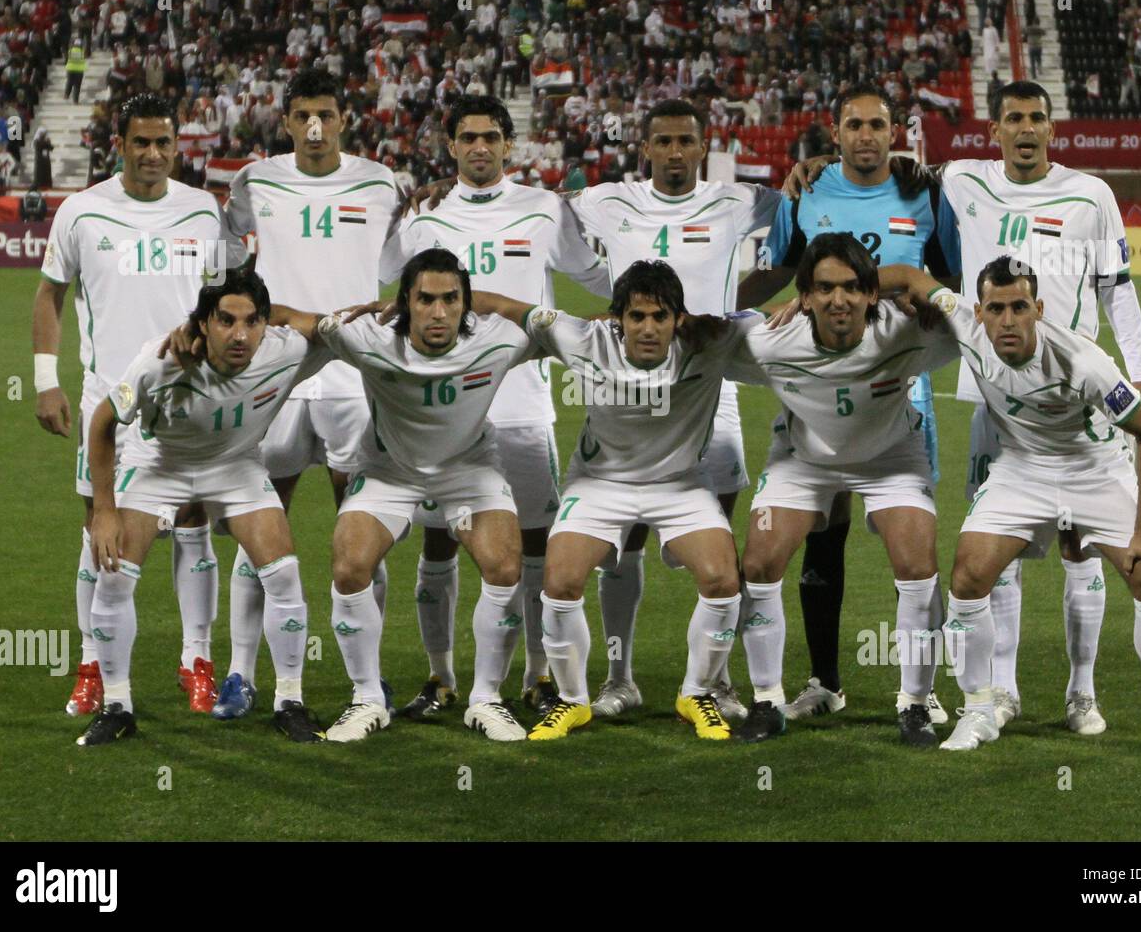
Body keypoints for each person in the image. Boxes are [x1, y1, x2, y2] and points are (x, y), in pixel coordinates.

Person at [786, 80, 1141, 737]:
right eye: (1012, 118)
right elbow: (894, 165)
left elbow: (1117, 290)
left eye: (1035, 118)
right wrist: (819, 165)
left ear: (1051, 129)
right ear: (995, 129)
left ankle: (1082, 695)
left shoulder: (1091, 195)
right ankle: (1001, 692)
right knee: (996, 553)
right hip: (994, 399)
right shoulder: (960, 181)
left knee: (1079, 548)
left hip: (1077, 398)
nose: (1024, 128)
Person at [412, 98, 786, 722]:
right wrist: (449, 190)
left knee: (722, 553)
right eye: (662, 142)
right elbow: (520, 203)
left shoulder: (741, 201)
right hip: (619, 382)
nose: (673, 153)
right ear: (646, 148)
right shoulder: (604, 200)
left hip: (704, 387)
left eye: (685, 142)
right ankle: (619, 676)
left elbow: (803, 218)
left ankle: (716, 683)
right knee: (624, 545)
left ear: (703, 147)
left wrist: (813, 175)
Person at [885, 257, 1141, 760]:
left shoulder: (1083, 360)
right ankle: (979, 709)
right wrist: (820, 294)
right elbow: (907, 276)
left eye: (1020, 308)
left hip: (1094, 468)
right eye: (996, 308)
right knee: (967, 577)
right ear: (978, 312)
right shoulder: (962, 319)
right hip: (1021, 469)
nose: (1008, 320)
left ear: (1039, 309)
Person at [384, 96, 610, 721]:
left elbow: (599, 279)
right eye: (467, 137)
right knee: (438, 545)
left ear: (510, 145)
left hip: (522, 405)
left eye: (491, 136)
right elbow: (392, 295)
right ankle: (439, 677)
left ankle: (538, 674)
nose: (480, 147)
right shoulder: (426, 219)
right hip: (446, 411)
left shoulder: (543, 209)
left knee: (535, 544)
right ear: (450, 146)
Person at [470, 262, 761, 741]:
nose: (648, 328)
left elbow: (775, 315)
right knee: (559, 582)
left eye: (660, 317)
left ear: (679, 320)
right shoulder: (583, 338)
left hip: (680, 484)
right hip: (599, 483)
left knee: (723, 579)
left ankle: (696, 693)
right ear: (616, 319)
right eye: (637, 316)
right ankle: (572, 701)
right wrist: (398, 308)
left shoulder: (710, 342)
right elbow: (499, 305)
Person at [272, 248, 541, 743]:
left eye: (450, 300)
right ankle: (367, 698)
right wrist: (204, 324)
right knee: (350, 565)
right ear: (404, 304)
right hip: (389, 470)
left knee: (504, 567)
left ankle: (486, 699)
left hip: (469, 469)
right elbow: (290, 318)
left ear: (467, 304)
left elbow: (581, 331)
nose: (438, 313)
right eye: (425, 300)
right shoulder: (364, 336)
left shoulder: (499, 339)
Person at [759, 83, 954, 727]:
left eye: (878, 125)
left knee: (915, 544)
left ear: (896, 131)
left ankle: (922, 690)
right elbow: (783, 272)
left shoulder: (924, 193)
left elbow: (949, 277)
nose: (866, 136)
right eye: (853, 125)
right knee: (822, 531)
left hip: (899, 384)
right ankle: (824, 681)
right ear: (834, 133)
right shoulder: (806, 191)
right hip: (819, 381)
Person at [213, 68, 402, 720]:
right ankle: (240, 674)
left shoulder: (381, 183)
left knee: (363, 533)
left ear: (344, 118)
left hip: (355, 381)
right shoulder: (255, 180)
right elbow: (224, 250)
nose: (315, 127)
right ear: (286, 121)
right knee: (259, 530)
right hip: (279, 380)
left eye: (326, 113)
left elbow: (407, 266)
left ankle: (368, 682)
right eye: (303, 116)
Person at [32, 93, 227, 720]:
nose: (152, 154)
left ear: (177, 146)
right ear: (120, 144)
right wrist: (44, 380)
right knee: (100, 535)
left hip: (189, 403)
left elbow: (223, 307)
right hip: (107, 406)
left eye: (163, 143)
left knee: (193, 527)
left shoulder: (202, 211)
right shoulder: (83, 212)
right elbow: (49, 295)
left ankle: (196, 661)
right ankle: (92, 663)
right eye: (140, 142)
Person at [79, 267, 331, 746]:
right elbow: (104, 421)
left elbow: (330, 328)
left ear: (265, 323)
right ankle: (117, 706)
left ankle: (290, 701)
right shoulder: (157, 361)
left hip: (235, 467)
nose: (240, 335)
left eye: (252, 322)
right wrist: (105, 511)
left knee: (284, 575)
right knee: (112, 578)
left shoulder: (285, 351)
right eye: (226, 321)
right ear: (203, 322)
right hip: (159, 465)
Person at [728, 234, 961, 744]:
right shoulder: (769, 339)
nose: (840, 300)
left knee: (918, 564)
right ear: (805, 296)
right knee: (759, 563)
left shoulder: (909, 331)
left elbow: (984, 329)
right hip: (802, 459)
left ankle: (915, 703)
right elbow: (692, 336)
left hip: (891, 457)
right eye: (826, 288)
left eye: (853, 288)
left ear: (872, 293)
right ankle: (766, 701)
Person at [65, 40, 87, 104]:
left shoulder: (70, 51)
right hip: (79, 71)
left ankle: (66, 95)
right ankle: (75, 101)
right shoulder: (82, 52)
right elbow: (85, 57)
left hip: (70, 69)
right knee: (77, 86)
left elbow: (67, 57)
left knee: (69, 82)